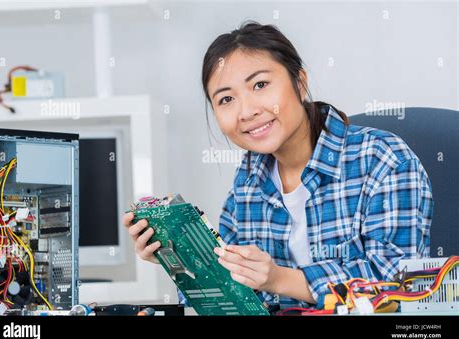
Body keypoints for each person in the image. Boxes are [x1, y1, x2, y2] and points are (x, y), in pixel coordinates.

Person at [123, 21, 433, 310]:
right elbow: (236, 294)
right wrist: (181, 259)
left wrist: (278, 278)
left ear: (299, 83)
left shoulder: (383, 158)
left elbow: (398, 285)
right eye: (226, 99)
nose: (246, 111)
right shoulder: (248, 180)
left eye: (259, 85)